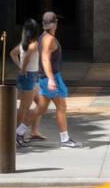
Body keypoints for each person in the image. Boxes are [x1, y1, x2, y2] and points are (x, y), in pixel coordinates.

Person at [32, 11, 79, 148]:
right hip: (49, 78)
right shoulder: (49, 39)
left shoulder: (43, 37)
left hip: (47, 77)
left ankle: (18, 131)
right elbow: (45, 59)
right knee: (61, 106)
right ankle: (65, 139)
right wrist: (51, 80)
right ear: (55, 24)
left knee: (41, 109)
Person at [10, 18, 41, 148]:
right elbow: (27, 57)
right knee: (24, 107)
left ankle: (33, 131)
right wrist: (23, 69)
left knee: (41, 104)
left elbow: (12, 53)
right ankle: (17, 135)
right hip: (29, 76)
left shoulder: (23, 44)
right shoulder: (33, 45)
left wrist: (21, 67)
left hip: (32, 76)